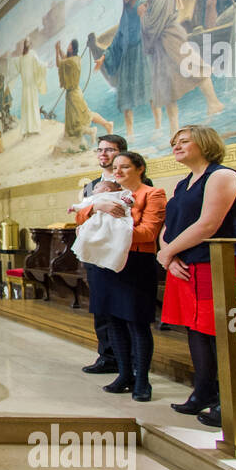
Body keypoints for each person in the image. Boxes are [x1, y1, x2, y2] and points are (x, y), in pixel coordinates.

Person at [156, 125, 236, 427]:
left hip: (215, 264)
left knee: (222, 331)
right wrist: (167, 255)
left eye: (184, 141)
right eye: (174, 143)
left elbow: (208, 225)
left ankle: (232, 401)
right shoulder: (184, 184)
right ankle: (204, 392)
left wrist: (167, 254)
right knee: (195, 330)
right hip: (184, 265)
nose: (176, 146)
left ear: (205, 143)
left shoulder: (221, 176)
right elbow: (169, 227)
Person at [74, 151, 166, 402]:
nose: (118, 172)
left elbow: (148, 232)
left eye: (125, 167)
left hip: (135, 263)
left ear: (140, 169)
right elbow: (79, 217)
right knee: (113, 320)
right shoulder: (105, 194)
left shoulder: (151, 194)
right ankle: (123, 374)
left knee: (136, 322)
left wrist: (109, 233)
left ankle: (142, 380)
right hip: (106, 262)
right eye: (115, 167)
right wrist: (97, 206)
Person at [140, 0, 223, 137]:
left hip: (171, 38)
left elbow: (153, 23)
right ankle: (173, 127)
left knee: (194, 67)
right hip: (160, 46)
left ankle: (214, 103)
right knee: (166, 86)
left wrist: (143, 14)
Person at [78, 134, 127, 375]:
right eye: (100, 150)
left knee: (121, 308)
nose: (103, 154)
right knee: (100, 307)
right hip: (95, 252)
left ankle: (127, 360)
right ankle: (106, 355)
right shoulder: (90, 186)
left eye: (110, 150)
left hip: (119, 252)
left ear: (121, 153)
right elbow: (80, 215)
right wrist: (96, 206)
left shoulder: (131, 181)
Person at [95, 0, 152, 140]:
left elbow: (151, 15)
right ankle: (130, 133)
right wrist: (103, 56)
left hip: (142, 55)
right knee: (126, 98)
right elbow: (117, 40)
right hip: (128, 59)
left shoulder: (143, 4)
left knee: (152, 91)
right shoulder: (125, 15)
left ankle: (158, 126)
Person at [55, 39, 112, 148]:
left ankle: (93, 130)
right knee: (83, 116)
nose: (68, 46)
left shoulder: (71, 61)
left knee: (81, 118)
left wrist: (57, 51)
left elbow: (59, 63)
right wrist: (60, 50)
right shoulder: (75, 59)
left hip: (74, 94)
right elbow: (64, 60)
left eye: (69, 45)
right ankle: (105, 125)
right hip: (74, 93)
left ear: (72, 48)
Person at [15, 38, 47, 136]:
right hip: (26, 87)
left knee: (33, 105)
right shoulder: (21, 57)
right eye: (26, 42)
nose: (28, 44)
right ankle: (27, 129)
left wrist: (44, 65)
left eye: (29, 42)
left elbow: (38, 64)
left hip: (31, 85)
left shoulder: (32, 54)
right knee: (27, 107)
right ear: (25, 44)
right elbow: (18, 69)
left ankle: (35, 128)